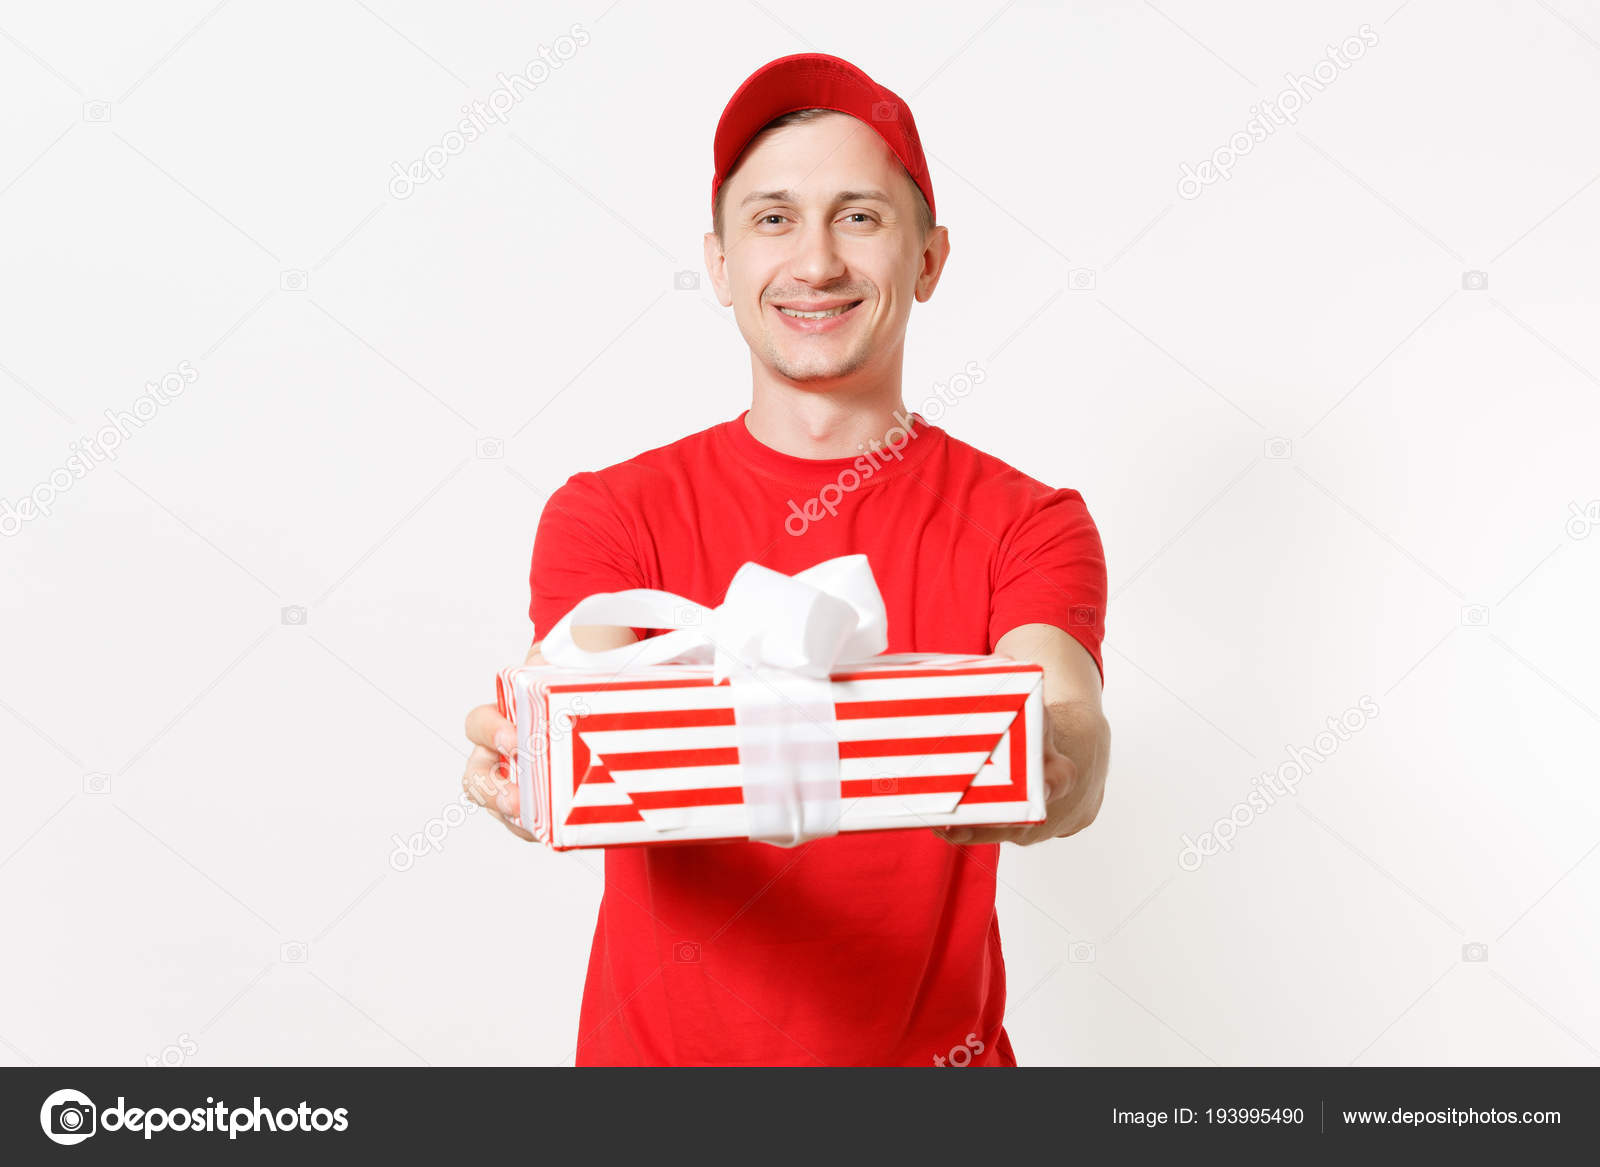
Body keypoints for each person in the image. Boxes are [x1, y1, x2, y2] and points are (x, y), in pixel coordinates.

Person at [461, 52, 1111, 1066]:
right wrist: (524, 761)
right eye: (772, 218)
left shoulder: (1029, 521)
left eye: (859, 216)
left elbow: (1067, 719)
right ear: (719, 264)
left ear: (929, 260)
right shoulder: (608, 515)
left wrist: (1054, 764)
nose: (814, 263)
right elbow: (578, 689)